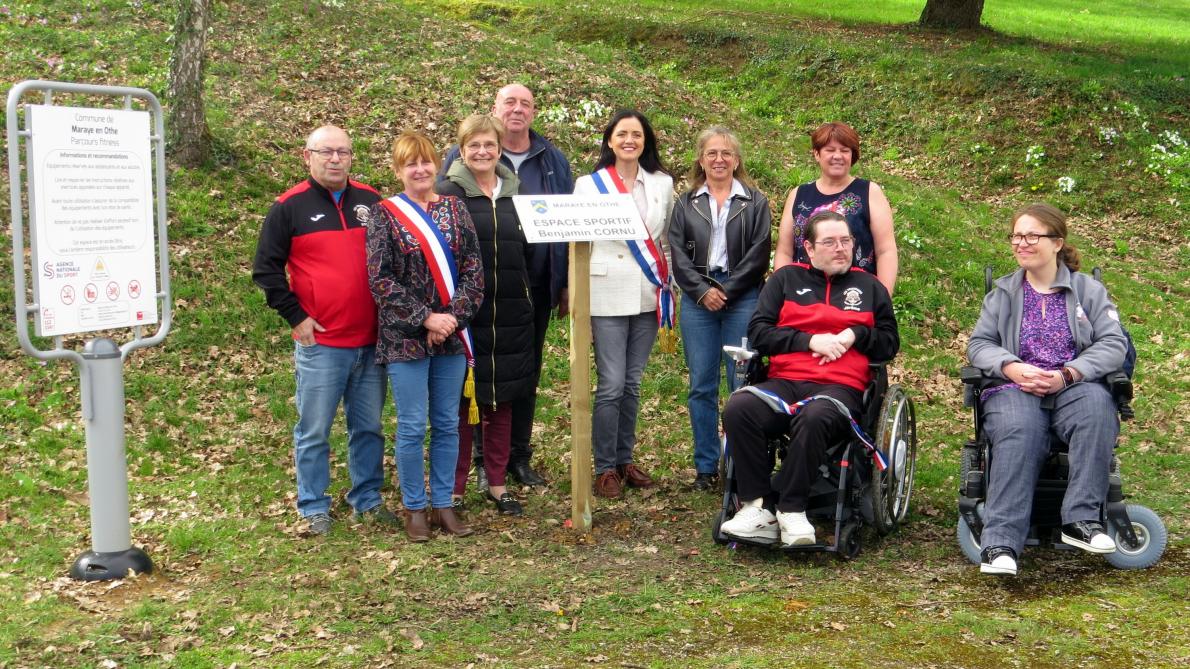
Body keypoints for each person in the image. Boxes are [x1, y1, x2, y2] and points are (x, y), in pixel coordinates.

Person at [719, 211, 898, 547]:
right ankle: (759, 506)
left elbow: (890, 343)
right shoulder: (784, 280)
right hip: (785, 381)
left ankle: (790, 508)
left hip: (840, 387)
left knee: (815, 416)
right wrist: (809, 340)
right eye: (830, 242)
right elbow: (758, 332)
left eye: (846, 241)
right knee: (739, 407)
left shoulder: (871, 287)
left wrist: (855, 334)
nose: (841, 248)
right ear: (809, 248)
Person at [967, 203, 1127, 576]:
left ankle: (1081, 522)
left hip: (1073, 383)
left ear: (1056, 242)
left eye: (1031, 236)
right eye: (1017, 236)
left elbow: (1112, 344)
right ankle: (1000, 544)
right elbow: (979, 345)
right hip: (1013, 387)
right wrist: (1012, 366)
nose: (1022, 243)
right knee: (1018, 431)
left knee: (1097, 412)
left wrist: (1069, 374)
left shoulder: (1088, 290)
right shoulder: (1003, 293)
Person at [252, 125, 393, 537]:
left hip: (371, 341)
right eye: (326, 152)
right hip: (322, 344)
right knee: (314, 431)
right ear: (307, 156)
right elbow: (266, 270)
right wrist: (297, 317)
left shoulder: (371, 201)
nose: (335, 159)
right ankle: (314, 506)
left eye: (343, 152)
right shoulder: (288, 207)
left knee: (368, 427)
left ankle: (367, 499)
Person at [441, 83, 573, 488]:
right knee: (476, 377)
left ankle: (518, 456)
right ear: (495, 108)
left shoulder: (551, 159)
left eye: (525, 104)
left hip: (529, 288)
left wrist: (563, 282)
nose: (517, 109)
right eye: (509, 102)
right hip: (472, 296)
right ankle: (482, 461)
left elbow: (567, 222)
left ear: (534, 112)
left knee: (522, 374)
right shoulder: (454, 173)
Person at [367, 131, 483, 542]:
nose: (419, 169)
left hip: (451, 336)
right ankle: (415, 507)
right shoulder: (385, 215)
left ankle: (444, 505)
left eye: (425, 161)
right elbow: (380, 280)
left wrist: (450, 319)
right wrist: (426, 319)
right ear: (398, 170)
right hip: (405, 339)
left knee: (448, 425)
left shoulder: (455, 208)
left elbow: (473, 271)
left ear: (437, 165)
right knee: (414, 426)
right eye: (409, 163)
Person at [573, 110, 675, 499]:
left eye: (637, 134)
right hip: (606, 290)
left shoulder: (662, 184)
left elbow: (663, 239)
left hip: (649, 291)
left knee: (632, 383)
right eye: (622, 134)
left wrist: (670, 285)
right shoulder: (589, 185)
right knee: (612, 384)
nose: (629, 140)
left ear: (645, 140)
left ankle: (624, 458)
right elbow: (581, 243)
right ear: (610, 140)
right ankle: (603, 468)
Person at [437, 115, 535, 516]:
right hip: (465, 313)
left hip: (511, 311)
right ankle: (455, 487)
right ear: (462, 150)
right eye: (474, 145)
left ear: (500, 149)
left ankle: (497, 484)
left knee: (502, 403)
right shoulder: (447, 193)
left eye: (489, 145)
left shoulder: (516, 193)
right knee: (460, 404)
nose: (482, 152)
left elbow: (529, 251)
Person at [669, 126, 772, 492]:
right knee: (701, 385)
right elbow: (678, 255)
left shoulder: (755, 202)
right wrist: (701, 292)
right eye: (712, 153)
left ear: (737, 160)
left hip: (741, 297)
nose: (719, 160)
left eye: (726, 153)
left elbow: (760, 254)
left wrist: (726, 290)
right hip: (698, 301)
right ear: (701, 159)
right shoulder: (686, 203)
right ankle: (705, 466)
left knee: (741, 385)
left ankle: (738, 463)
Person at [773, 121, 898, 296]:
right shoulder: (799, 194)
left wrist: (883, 298)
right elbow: (785, 251)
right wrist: (782, 292)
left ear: (852, 155)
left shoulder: (869, 192)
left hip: (856, 297)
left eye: (845, 150)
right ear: (817, 154)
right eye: (830, 150)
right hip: (803, 297)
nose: (837, 156)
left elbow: (886, 250)